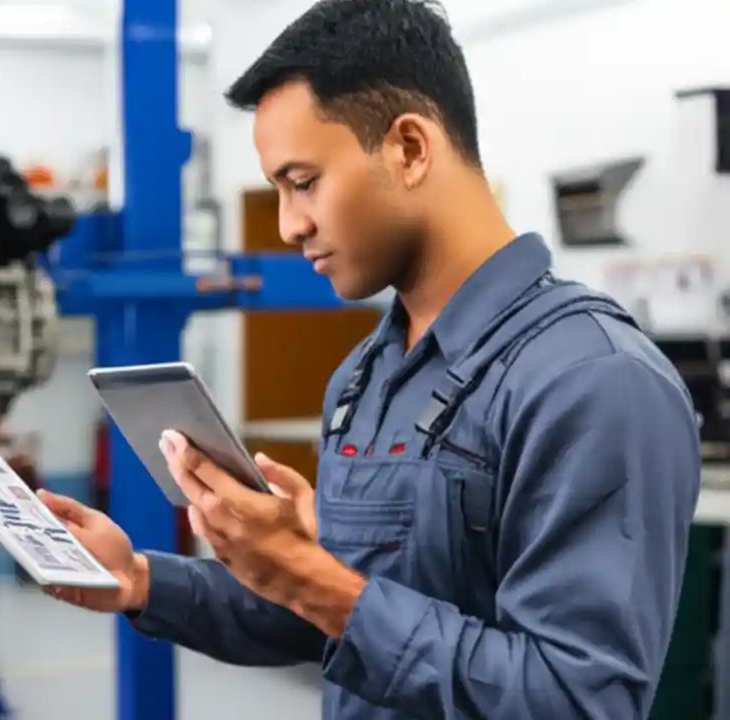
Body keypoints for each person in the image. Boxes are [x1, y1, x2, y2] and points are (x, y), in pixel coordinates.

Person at [36, 0, 703, 717]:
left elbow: (574, 700)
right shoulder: (364, 379)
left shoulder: (591, 381)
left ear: (410, 148)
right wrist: (139, 578)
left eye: (304, 182)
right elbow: (333, 614)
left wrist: (315, 580)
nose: (291, 225)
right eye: (279, 191)